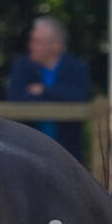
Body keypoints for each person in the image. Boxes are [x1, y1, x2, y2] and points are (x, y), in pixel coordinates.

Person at [6, 16, 91, 162]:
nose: (31, 45)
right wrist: (60, 96)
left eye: (37, 42)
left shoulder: (76, 67)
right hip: (26, 153)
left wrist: (44, 91)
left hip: (67, 154)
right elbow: (14, 99)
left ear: (56, 45)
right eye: (32, 40)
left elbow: (80, 96)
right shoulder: (22, 66)